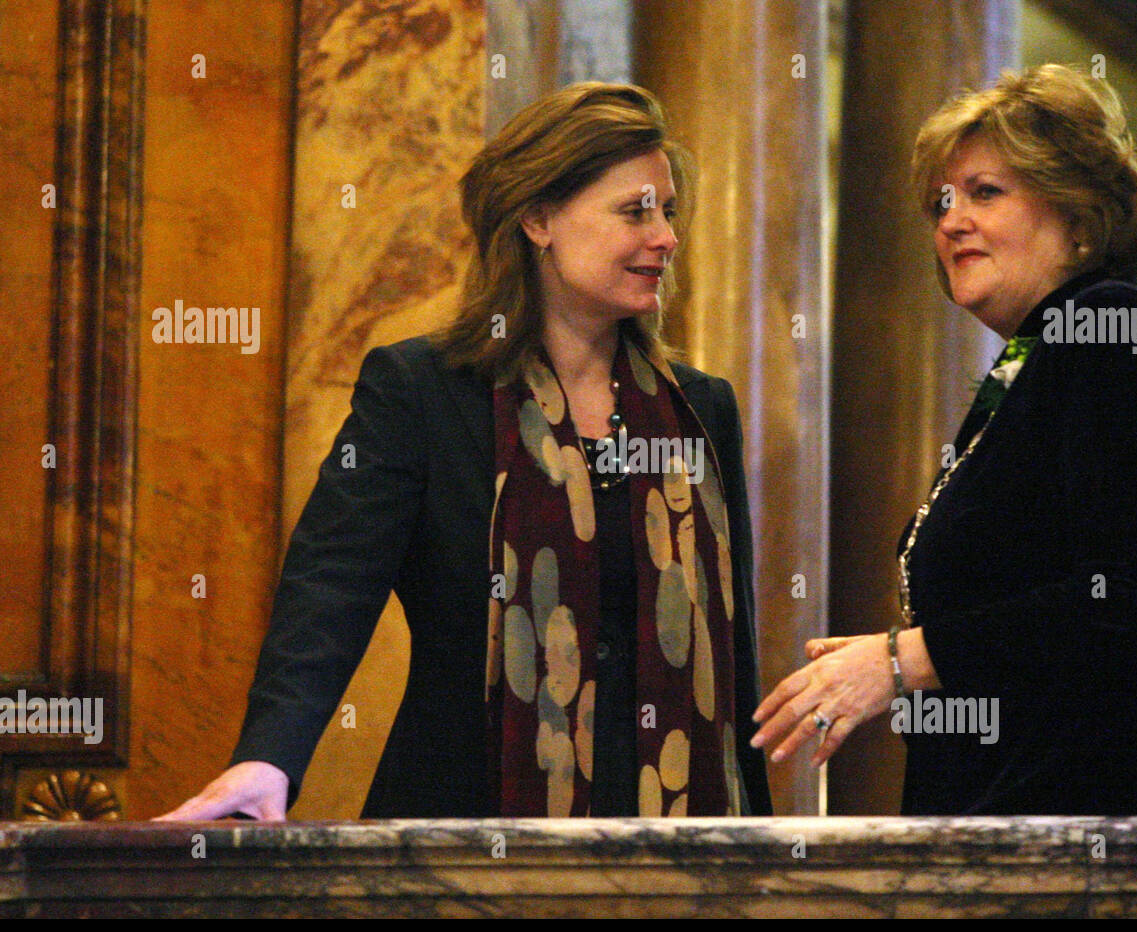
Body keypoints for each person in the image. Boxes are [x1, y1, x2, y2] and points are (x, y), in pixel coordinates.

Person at [160, 82, 771, 821]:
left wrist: (756, 844)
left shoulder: (700, 410)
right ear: (539, 219)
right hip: (462, 833)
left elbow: (732, 662)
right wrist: (270, 757)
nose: (666, 236)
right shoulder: (421, 393)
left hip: (678, 849)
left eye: (668, 211)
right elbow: (329, 590)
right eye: (634, 210)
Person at [751, 64, 1137, 815]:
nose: (951, 221)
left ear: (1078, 216)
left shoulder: (1112, 335)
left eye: (984, 193)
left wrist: (901, 660)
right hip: (1031, 833)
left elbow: (1131, 601)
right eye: (942, 201)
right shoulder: (1038, 360)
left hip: (1122, 844)